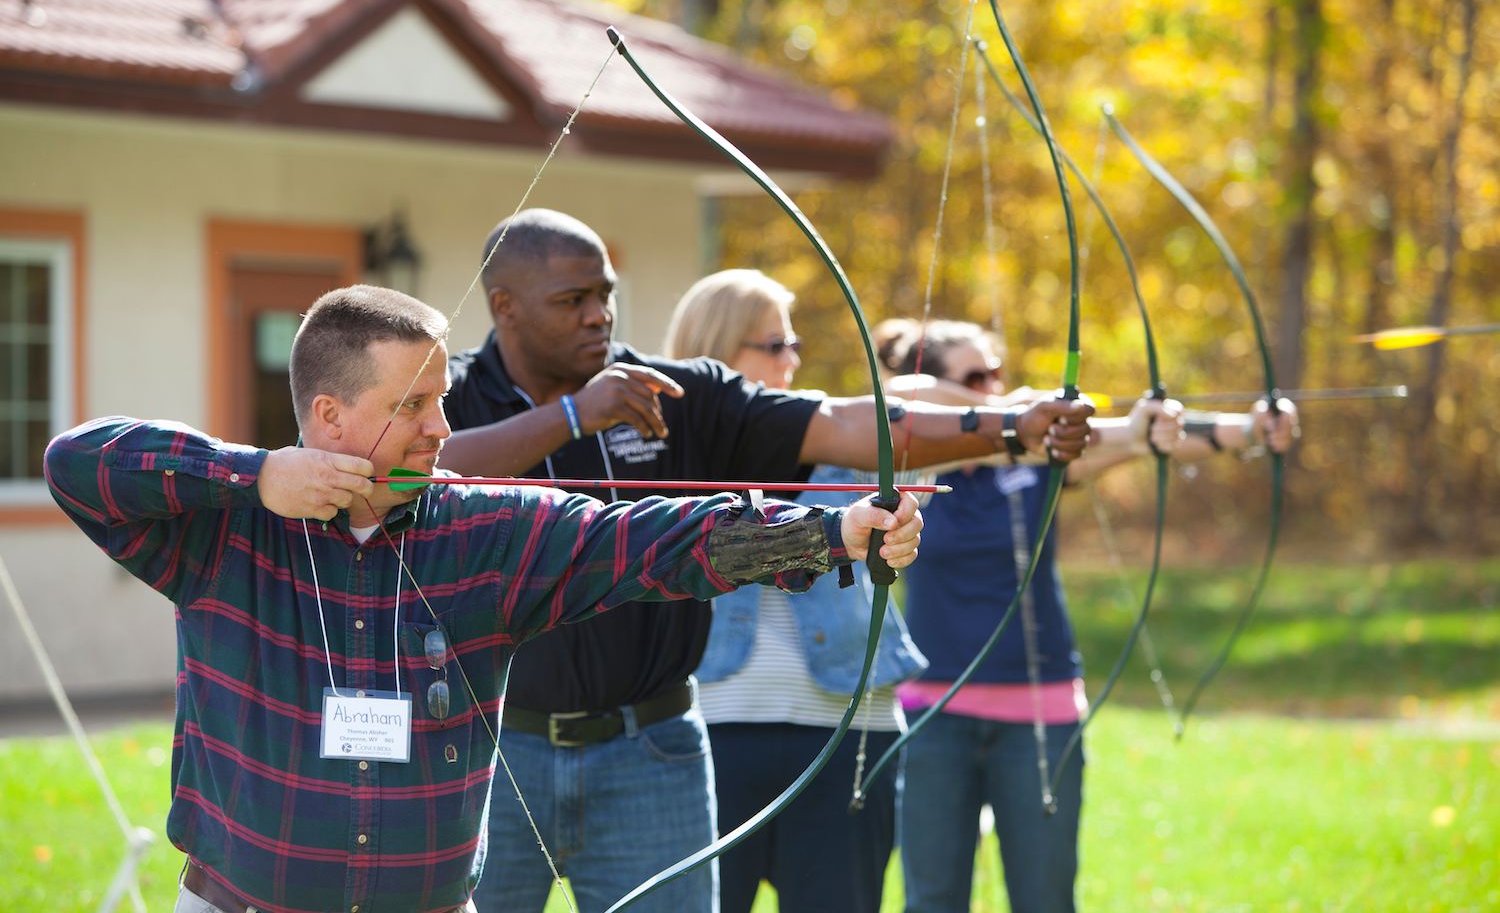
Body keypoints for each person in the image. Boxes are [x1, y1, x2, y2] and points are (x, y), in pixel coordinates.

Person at [43, 285, 926, 913]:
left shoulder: (486, 529)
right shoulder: (225, 528)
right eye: (413, 405)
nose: (442, 428)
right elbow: (77, 462)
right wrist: (256, 474)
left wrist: (830, 533)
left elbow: (657, 541)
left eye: (441, 401)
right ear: (331, 416)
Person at [439, 209, 1095, 913]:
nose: (599, 314)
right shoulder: (449, 395)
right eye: (573, 300)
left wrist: (1012, 427)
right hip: (490, 749)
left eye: (606, 294)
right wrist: (573, 417)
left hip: (649, 750)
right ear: (505, 305)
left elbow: (845, 422)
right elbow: (414, 472)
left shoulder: (671, 392)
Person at [878, 318, 1300, 913]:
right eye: (975, 378)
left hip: (1041, 713)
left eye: (996, 373)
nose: (993, 385)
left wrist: (1250, 429)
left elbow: (1140, 438)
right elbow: (900, 396)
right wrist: (1012, 410)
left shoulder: (1038, 454)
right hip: (935, 714)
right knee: (932, 901)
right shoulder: (911, 462)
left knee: (1046, 900)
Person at [665, 270, 927, 913]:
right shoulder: (668, 455)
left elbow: (925, 424)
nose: (793, 360)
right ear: (713, 355)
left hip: (846, 732)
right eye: (774, 345)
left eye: (795, 344)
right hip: (709, 731)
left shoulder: (841, 437)